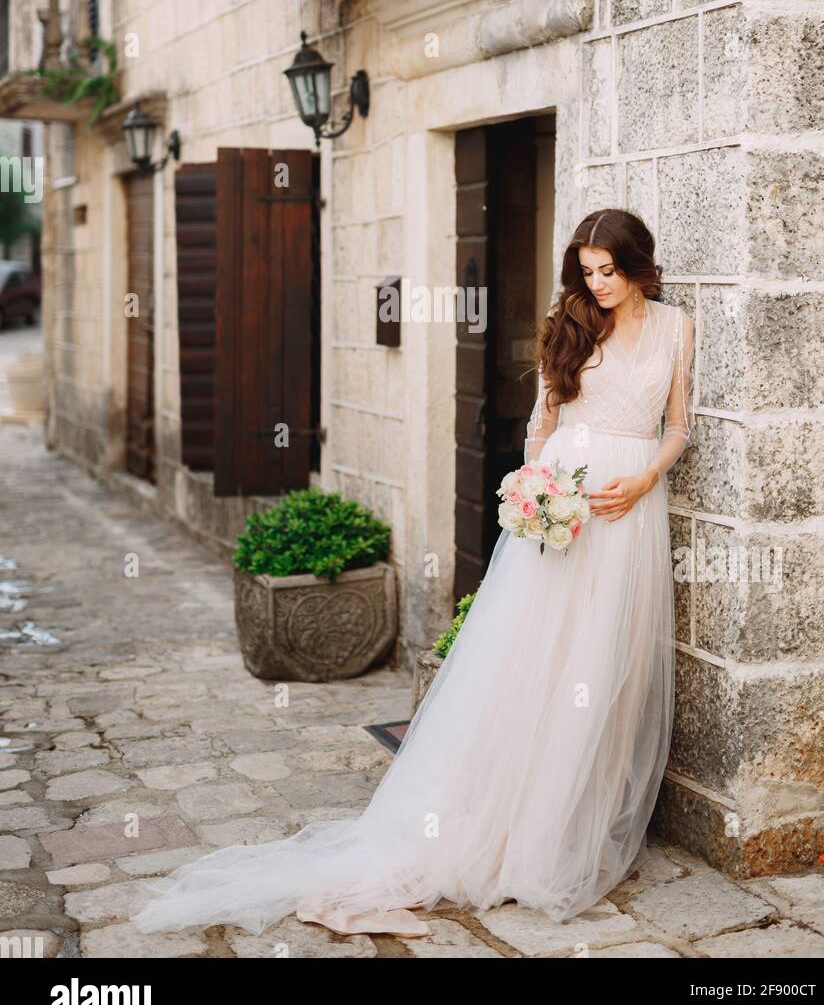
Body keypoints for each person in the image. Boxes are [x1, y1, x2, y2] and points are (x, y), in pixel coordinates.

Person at [132, 207, 695, 939]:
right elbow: (542, 426)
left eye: (608, 271)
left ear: (638, 263)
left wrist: (649, 476)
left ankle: (577, 826)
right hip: (566, 500)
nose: (597, 284)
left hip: (630, 510)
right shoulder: (572, 320)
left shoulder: (675, 327)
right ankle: (505, 823)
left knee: (607, 663)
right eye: (586, 272)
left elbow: (678, 424)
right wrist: (535, 492)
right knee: (536, 661)